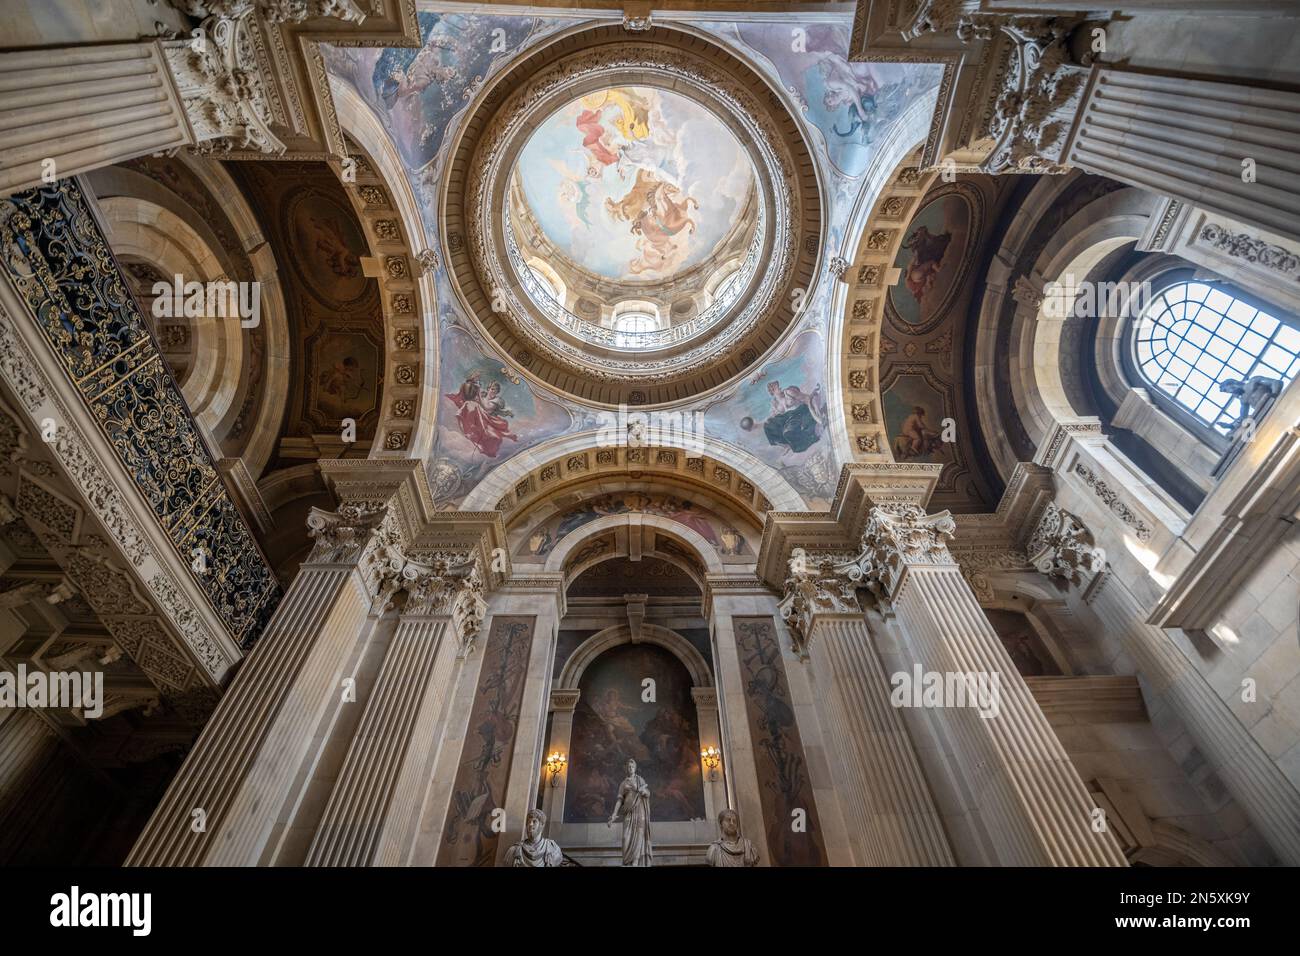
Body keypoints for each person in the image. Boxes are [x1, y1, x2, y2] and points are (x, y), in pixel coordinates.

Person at [607, 757, 653, 867]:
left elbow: (648, 793)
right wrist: (614, 814)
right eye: (629, 766)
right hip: (628, 812)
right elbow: (619, 800)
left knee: (639, 836)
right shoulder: (623, 783)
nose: (630, 768)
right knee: (625, 838)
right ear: (626, 769)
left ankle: (635, 863)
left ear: (635, 768)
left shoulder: (640, 780)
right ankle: (627, 862)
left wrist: (643, 791)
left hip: (640, 811)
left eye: (632, 766)